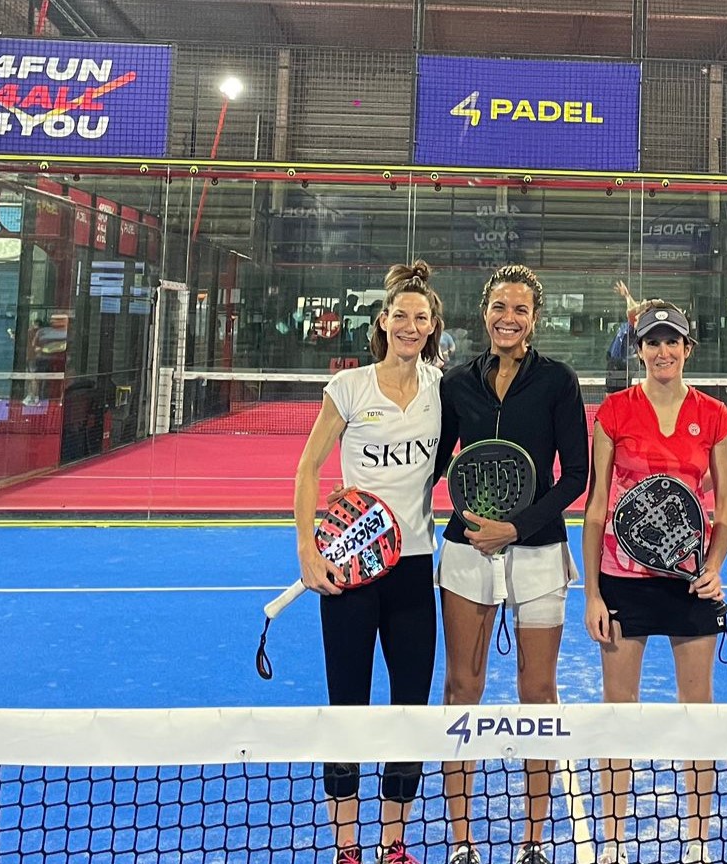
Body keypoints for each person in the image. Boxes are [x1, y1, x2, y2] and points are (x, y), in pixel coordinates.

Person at [433, 263, 589, 864]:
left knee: (537, 691)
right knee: (461, 687)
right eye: (500, 307)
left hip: (540, 552)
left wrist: (517, 527)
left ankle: (532, 842)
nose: (508, 318)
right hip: (466, 550)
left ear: (534, 319)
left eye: (520, 309)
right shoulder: (456, 384)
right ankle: (462, 842)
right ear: (485, 311)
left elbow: (575, 474)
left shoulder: (558, 382)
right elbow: (436, 461)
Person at [293, 262, 446, 864]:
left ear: (433, 328)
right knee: (347, 707)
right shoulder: (350, 388)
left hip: (412, 568)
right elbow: (308, 469)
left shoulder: (442, 388)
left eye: (421, 318)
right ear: (383, 323)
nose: (410, 326)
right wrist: (308, 548)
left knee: (409, 709)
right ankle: (347, 849)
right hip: (350, 572)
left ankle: (392, 846)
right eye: (400, 315)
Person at [582, 299, 727, 864]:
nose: (663, 351)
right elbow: (597, 507)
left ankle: (697, 840)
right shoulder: (614, 412)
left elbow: (726, 510)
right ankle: (615, 841)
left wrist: (714, 566)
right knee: (618, 707)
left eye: (673, 341)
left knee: (697, 706)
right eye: (653, 342)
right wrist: (594, 592)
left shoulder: (715, 415)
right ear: (639, 350)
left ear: (687, 348)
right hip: (623, 584)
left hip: (690, 582)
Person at [26, 313, 69, 406]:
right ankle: (37, 398)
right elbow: (35, 345)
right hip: (43, 360)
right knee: (38, 379)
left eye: (60, 319)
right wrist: (39, 349)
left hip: (61, 361)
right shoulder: (42, 331)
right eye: (53, 319)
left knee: (61, 381)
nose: (55, 321)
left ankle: (60, 400)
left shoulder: (69, 332)